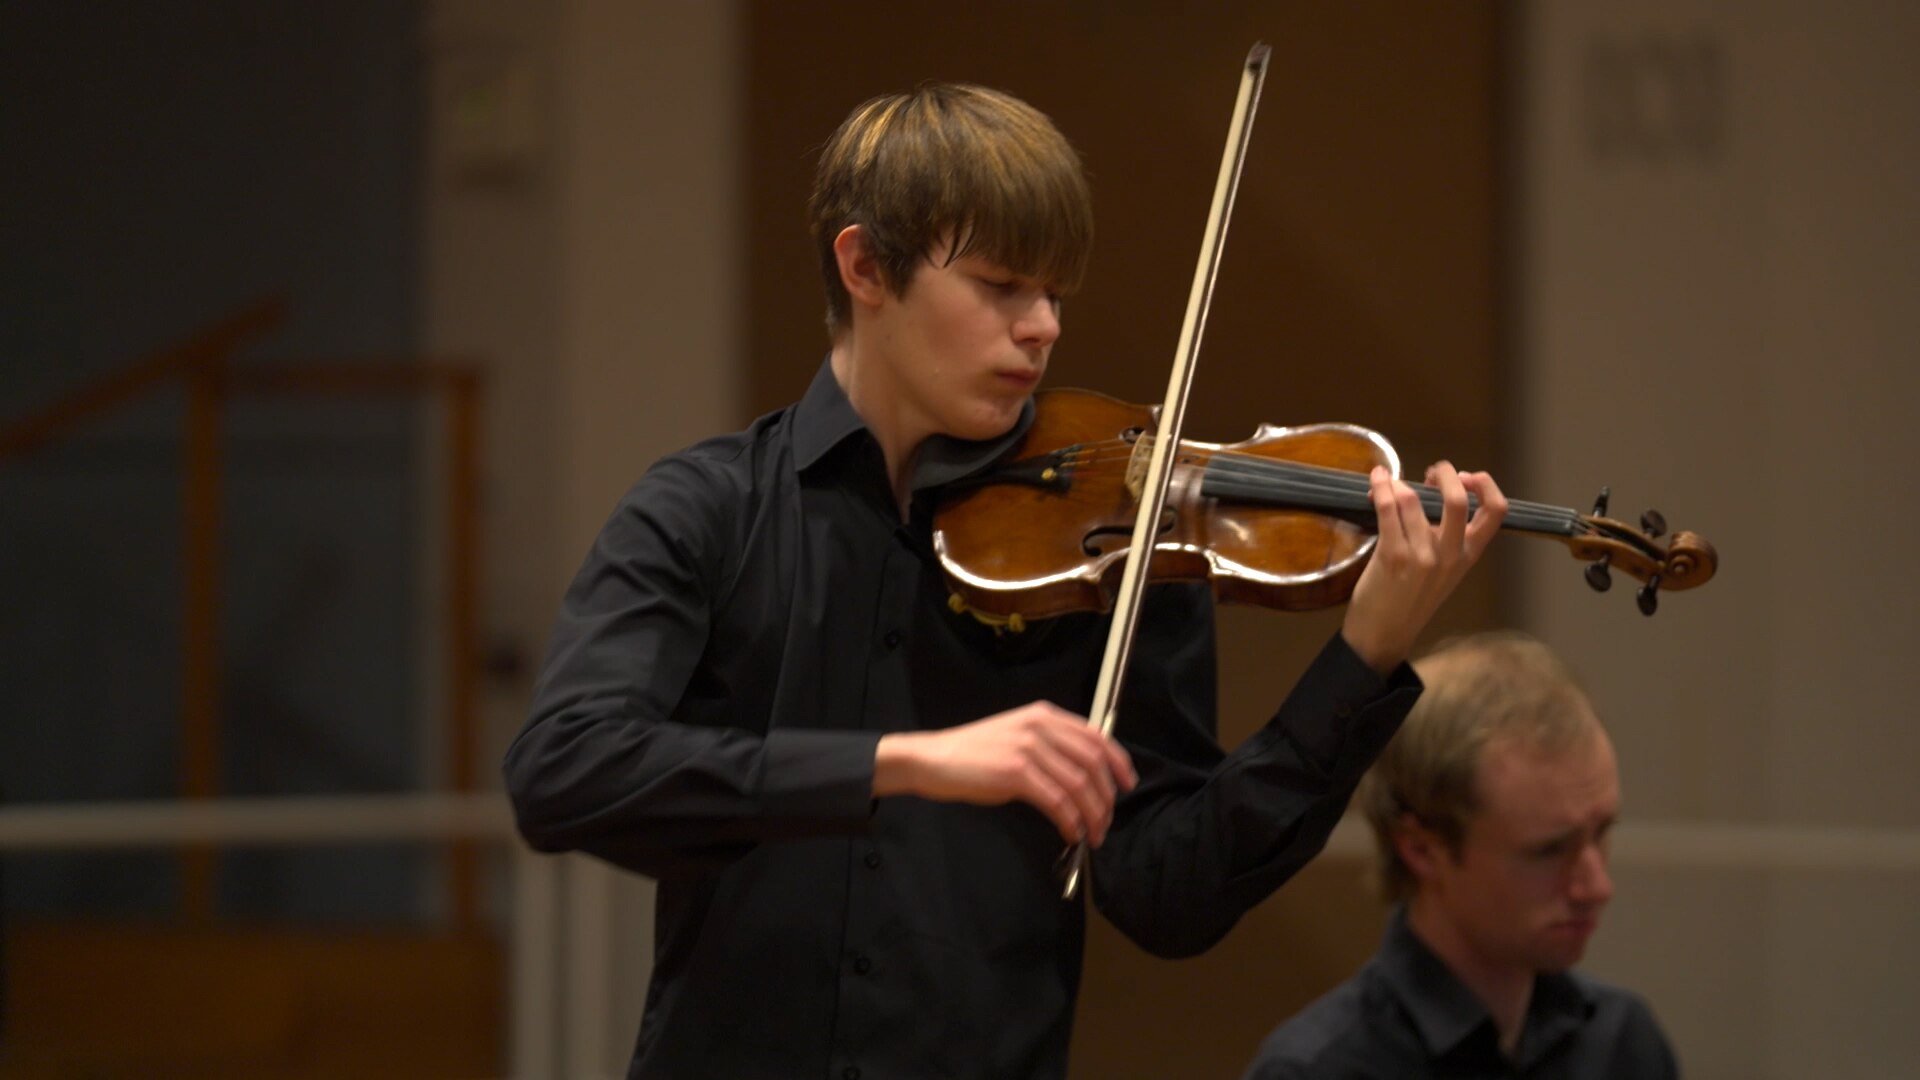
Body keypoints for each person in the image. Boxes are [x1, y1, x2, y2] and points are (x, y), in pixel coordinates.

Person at [504, 81, 1507, 1079]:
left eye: (1056, 294)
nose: (1043, 329)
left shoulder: (1119, 538)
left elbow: (1171, 892)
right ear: (865, 267)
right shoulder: (709, 511)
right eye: (1000, 285)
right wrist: (903, 763)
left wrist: (1362, 658)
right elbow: (565, 772)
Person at [1241, 631, 1678, 1079]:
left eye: (1602, 833)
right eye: (1549, 850)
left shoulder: (1623, 1041)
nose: (1597, 888)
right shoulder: (1319, 1071)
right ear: (1422, 849)